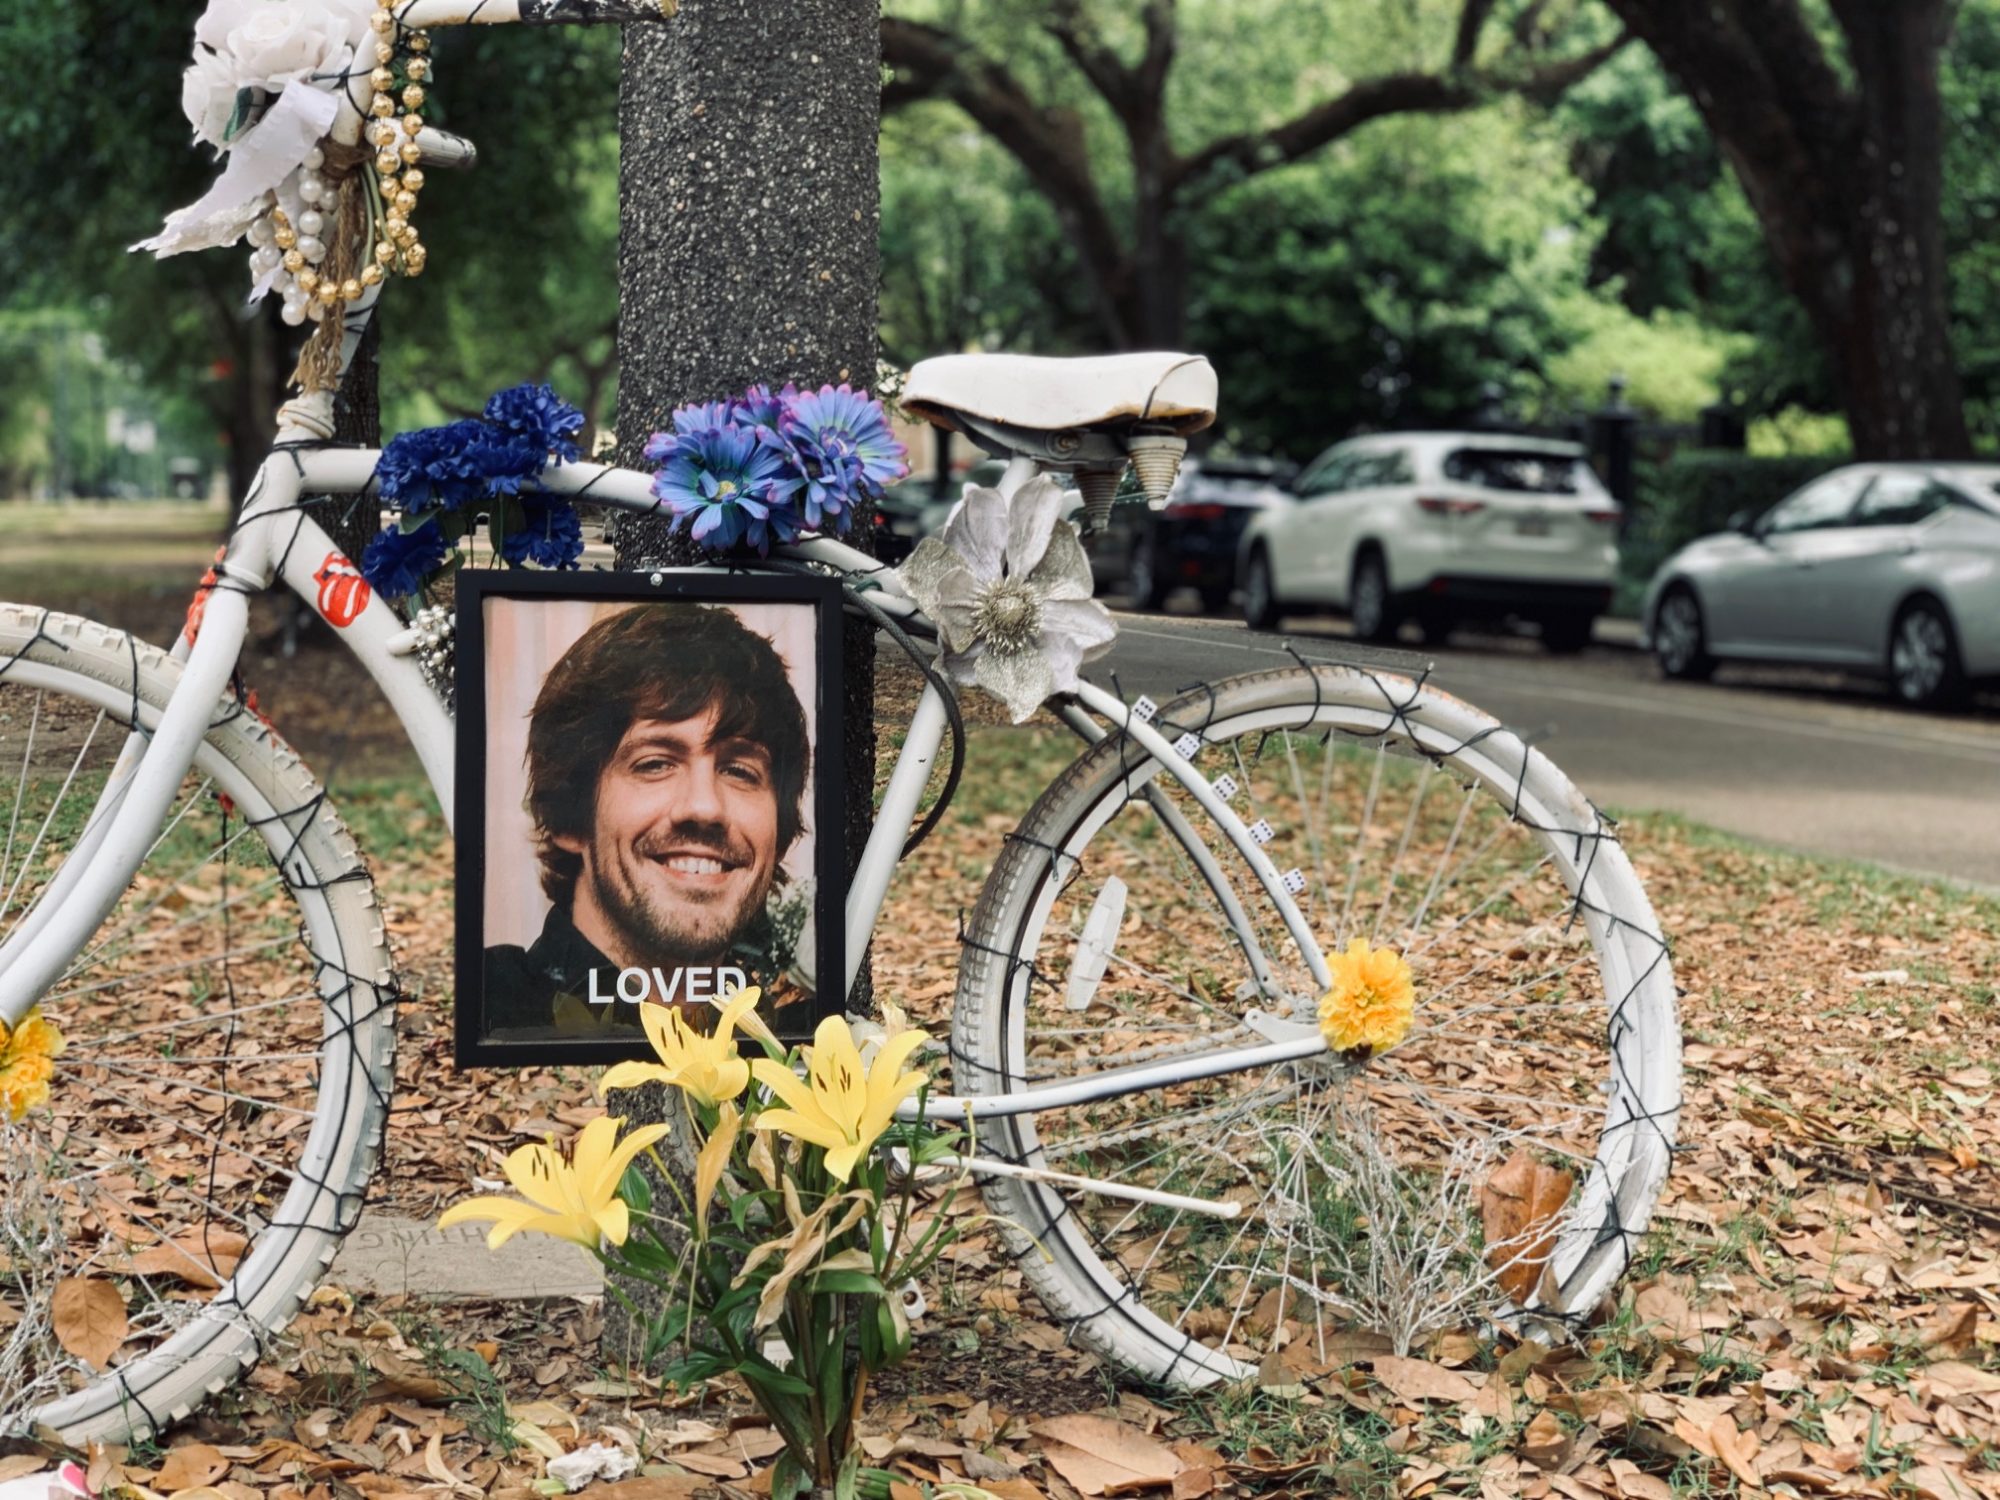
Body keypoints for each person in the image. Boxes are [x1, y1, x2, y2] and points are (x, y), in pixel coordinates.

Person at [484, 602, 811, 1036]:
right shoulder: (490, 1007)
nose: (705, 807)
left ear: (780, 834)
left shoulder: (803, 1032)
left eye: (739, 771)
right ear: (568, 818)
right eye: (655, 764)